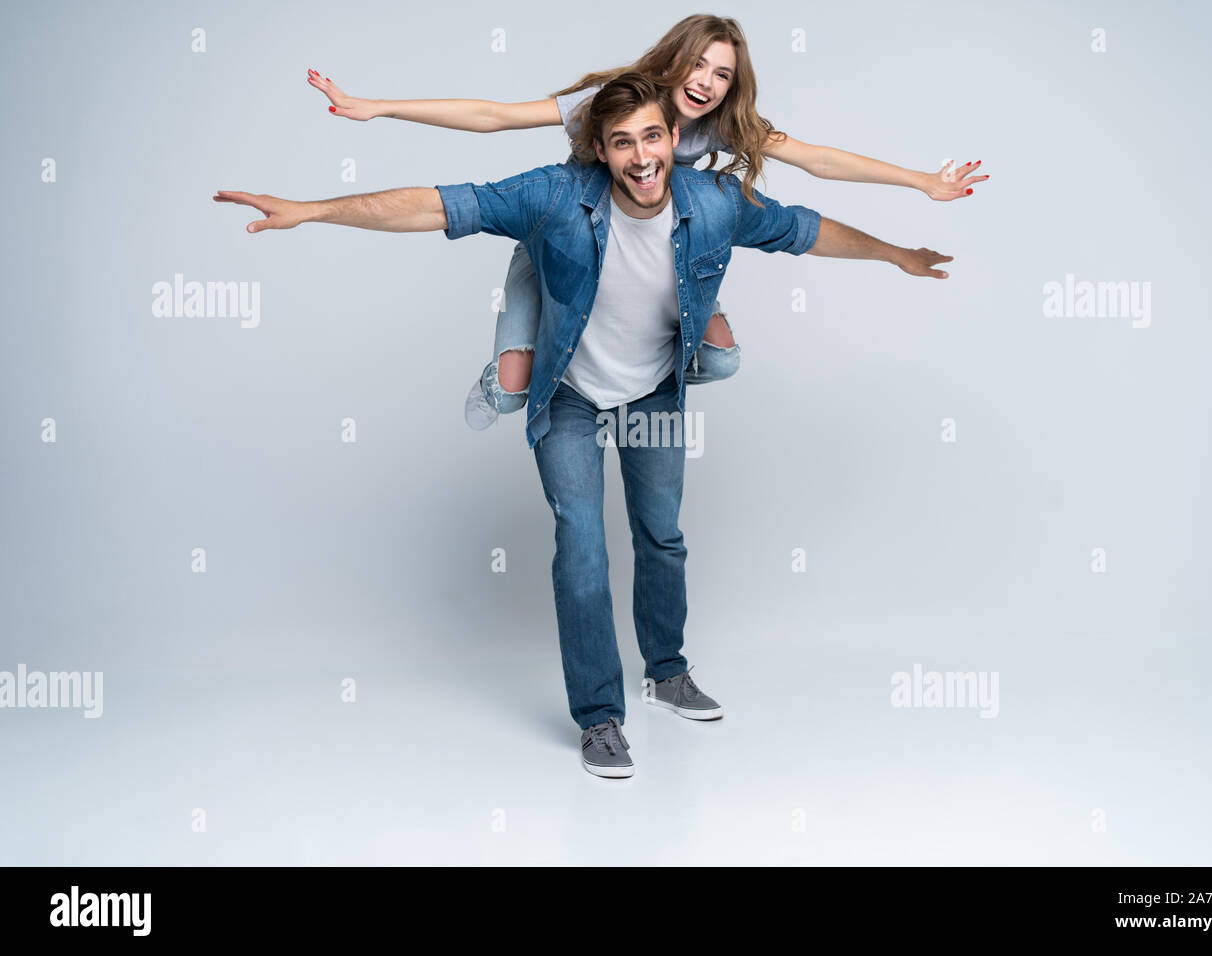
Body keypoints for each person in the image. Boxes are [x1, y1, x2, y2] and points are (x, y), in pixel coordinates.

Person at [214, 72, 954, 779]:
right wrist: (309, 209)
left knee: (661, 533)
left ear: (677, 138)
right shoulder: (554, 195)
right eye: (623, 142)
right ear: (599, 150)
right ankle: (600, 715)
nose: (642, 157)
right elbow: (433, 205)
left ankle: (666, 673)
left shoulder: (716, 199)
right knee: (583, 546)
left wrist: (898, 257)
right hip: (568, 394)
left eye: (654, 138)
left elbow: (805, 228)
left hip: (654, 391)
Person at [304, 14, 987, 430]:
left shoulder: (723, 124)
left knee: (720, 357)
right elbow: (495, 114)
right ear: (676, 59)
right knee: (513, 393)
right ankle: (507, 379)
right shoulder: (616, 103)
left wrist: (921, 182)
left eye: (724, 74)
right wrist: (379, 106)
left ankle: (631, 372)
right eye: (700, 64)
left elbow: (818, 160)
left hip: (652, 255)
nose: (709, 81)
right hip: (566, 247)